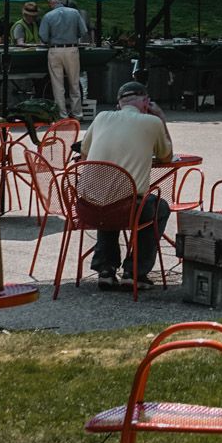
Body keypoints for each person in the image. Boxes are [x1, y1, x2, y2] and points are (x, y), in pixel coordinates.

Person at [79, 80, 173, 290]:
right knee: (158, 207)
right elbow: (167, 157)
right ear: (146, 102)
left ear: (119, 103)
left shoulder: (101, 117)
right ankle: (134, 272)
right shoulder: (152, 122)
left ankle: (106, 268)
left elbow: (84, 154)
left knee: (107, 194)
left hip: (86, 206)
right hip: (126, 208)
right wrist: (161, 118)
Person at [38, 0, 90, 118]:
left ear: (51, 3)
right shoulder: (75, 13)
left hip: (55, 51)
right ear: (61, 1)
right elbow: (83, 31)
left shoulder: (48, 16)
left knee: (58, 85)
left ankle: (62, 114)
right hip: (72, 49)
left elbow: (43, 37)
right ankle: (77, 113)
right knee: (74, 83)